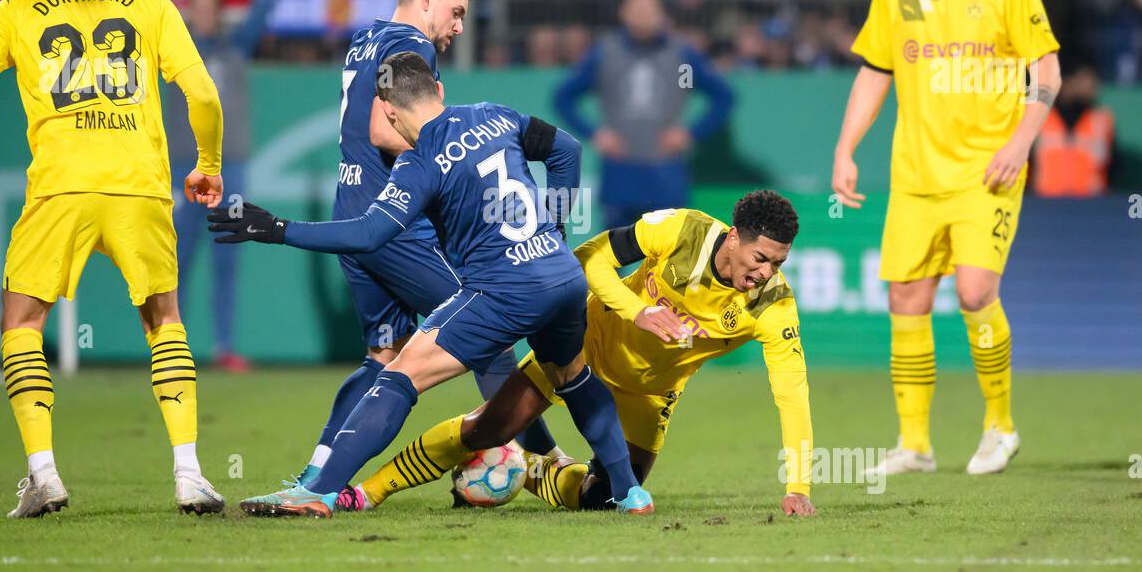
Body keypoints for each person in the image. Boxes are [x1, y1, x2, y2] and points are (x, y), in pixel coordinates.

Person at [209, 52, 654, 516]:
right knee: (573, 377)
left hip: (505, 288)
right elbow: (569, 151)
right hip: (561, 275)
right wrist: (555, 228)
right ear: (438, 91)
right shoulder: (495, 115)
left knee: (400, 375)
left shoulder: (419, 162)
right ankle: (629, 493)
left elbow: (368, 233)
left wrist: (278, 229)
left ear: (388, 111)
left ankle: (317, 491)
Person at [0, 0, 228, 517]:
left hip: (61, 189)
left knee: (21, 320)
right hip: (139, 187)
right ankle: (189, 474)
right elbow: (203, 93)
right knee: (164, 318)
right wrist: (208, 163)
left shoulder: (15, 8)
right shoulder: (150, 2)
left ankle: (43, 473)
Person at [231, 0, 559, 513]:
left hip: (353, 211)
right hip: (392, 224)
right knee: (493, 330)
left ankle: (314, 476)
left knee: (385, 355)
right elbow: (386, 131)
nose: (457, 28)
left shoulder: (372, 35)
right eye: (455, 13)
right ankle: (546, 462)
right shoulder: (412, 48)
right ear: (427, 1)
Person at [346, 191, 817, 517]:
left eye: (779, 262)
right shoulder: (680, 231)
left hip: (651, 395)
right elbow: (589, 257)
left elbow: (792, 396)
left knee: (605, 500)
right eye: (761, 259)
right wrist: (637, 313)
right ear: (734, 237)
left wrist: (798, 487)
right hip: (581, 348)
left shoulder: (773, 305)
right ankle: (367, 491)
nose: (767, 272)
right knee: (493, 425)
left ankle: (529, 469)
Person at [832, 0, 1062, 476]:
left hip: (988, 171)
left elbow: (1048, 73)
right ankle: (915, 444)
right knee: (906, 299)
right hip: (915, 176)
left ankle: (1000, 428)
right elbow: (875, 71)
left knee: (974, 291)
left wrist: (1019, 142)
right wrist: (846, 147)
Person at [165, 0, 281, 371]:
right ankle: (170, 346)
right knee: (177, 258)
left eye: (212, 7)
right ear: (189, 11)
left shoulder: (236, 47)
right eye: (198, 7)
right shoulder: (172, 51)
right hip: (184, 168)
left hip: (229, 169)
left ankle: (223, 346)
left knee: (226, 258)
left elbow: (265, 5)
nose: (206, 15)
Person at [554, 0, 734, 229]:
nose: (643, 16)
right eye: (637, 9)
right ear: (623, 13)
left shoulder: (681, 55)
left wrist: (690, 133)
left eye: (650, 9)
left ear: (662, 15)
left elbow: (723, 97)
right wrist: (595, 133)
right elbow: (564, 97)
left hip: (665, 170)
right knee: (610, 256)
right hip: (620, 171)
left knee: (672, 257)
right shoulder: (605, 54)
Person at [1030, 62, 1112, 196]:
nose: (1090, 86)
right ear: (1066, 81)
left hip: (1092, 204)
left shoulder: (1101, 119)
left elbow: (1113, 165)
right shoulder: (1041, 117)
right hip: (1046, 202)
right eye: (1083, 80)